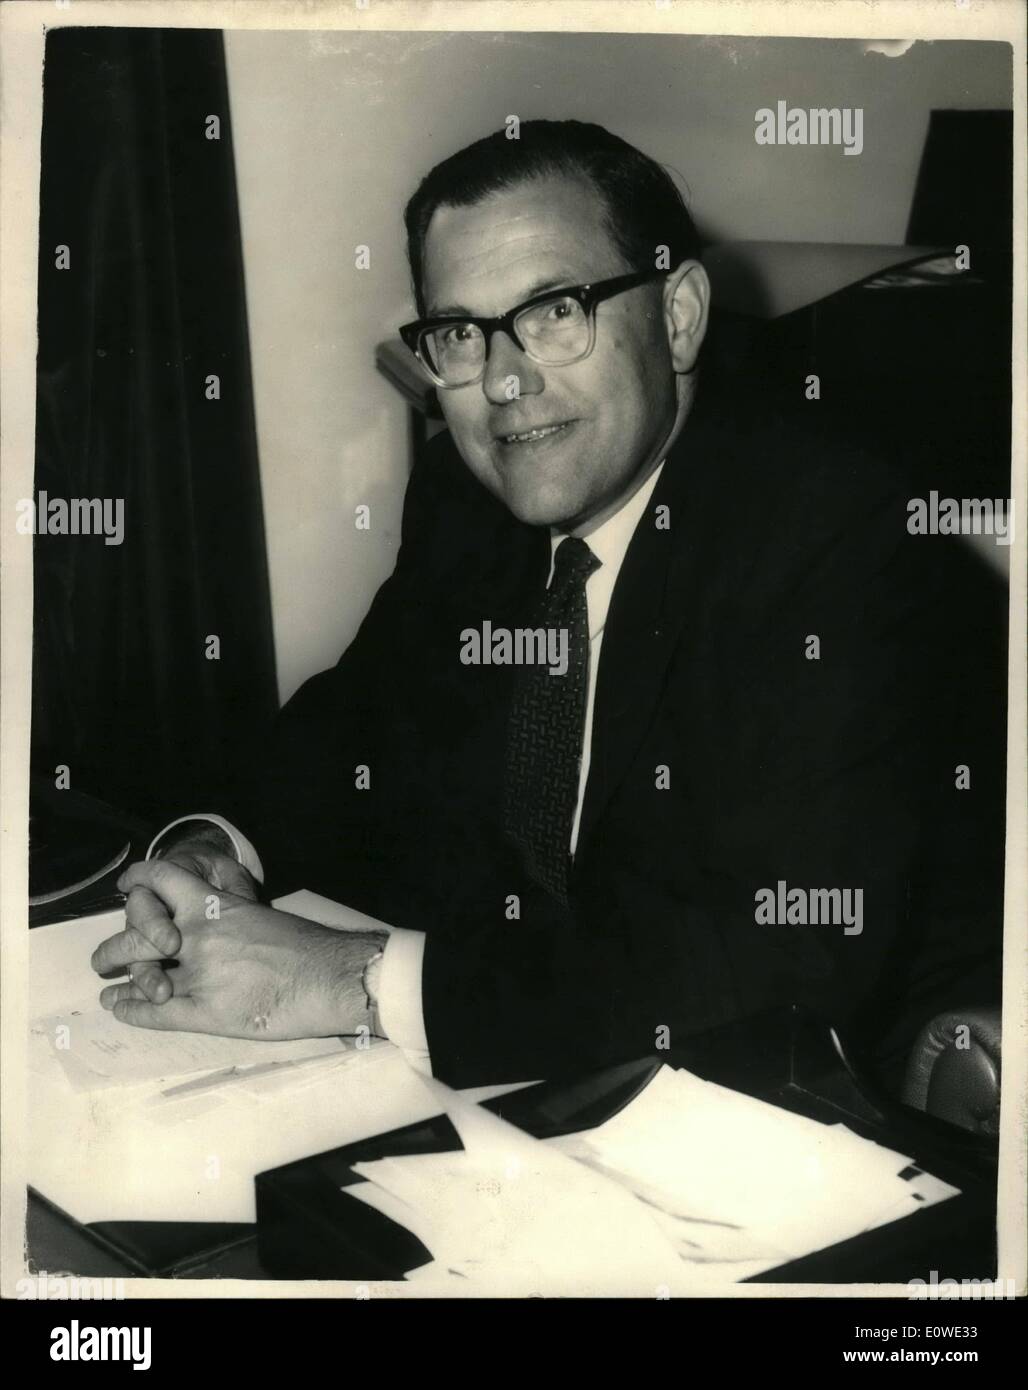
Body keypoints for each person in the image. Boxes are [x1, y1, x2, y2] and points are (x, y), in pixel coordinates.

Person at [91, 120, 1003, 1090]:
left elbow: (780, 957)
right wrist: (215, 850)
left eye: (554, 311)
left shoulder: (838, 536)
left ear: (679, 316)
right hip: (514, 1064)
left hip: (754, 1098)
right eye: (459, 333)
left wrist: (353, 980)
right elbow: (358, 722)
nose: (503, 380)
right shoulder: (467, 490)